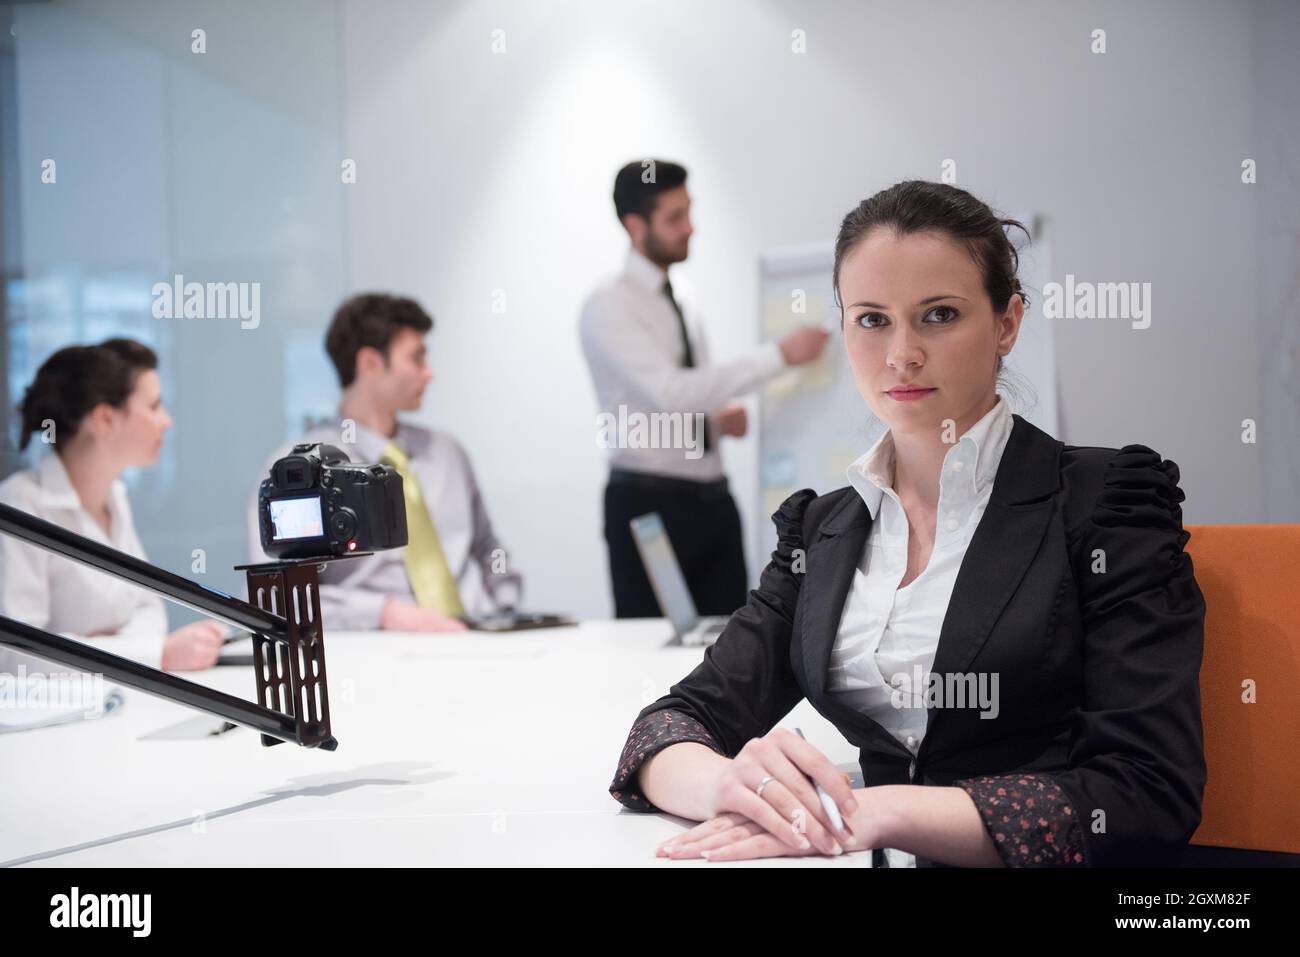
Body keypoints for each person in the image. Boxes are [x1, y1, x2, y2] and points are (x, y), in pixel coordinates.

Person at [607, 180, 1207, 868]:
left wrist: (880, 812)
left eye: (939, 314)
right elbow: (668, 725)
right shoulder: (824, 529)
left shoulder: (1104, 501)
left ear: (1007, 323)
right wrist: (731, 785)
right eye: (872, 320)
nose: (901, 354)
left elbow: (1147, 789)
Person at [579, 159, 830, 618]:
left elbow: (681, 402)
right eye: (674, 218)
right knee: (649, 641)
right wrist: (780, 355)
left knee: (729, 637)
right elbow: (673, 393)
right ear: (635, 226)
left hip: (713, 501)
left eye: (689, 212)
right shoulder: (608, 305)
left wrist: (714, 424)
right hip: (649, 506)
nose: (690, 227)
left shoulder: (683, 295)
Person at [248, 293, 522, 633]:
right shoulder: (294, 471)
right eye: (417, 358)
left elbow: (488, 548)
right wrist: (383, 614)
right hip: (380, 644)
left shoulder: (447, 452)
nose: (429, 373)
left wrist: (505, 607)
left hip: (482, 635)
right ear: (370, 363)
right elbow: (278, 595)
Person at [0, 338, 225, 677]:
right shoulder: (20, 505)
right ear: (105, 419)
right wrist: (153, 654)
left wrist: (110, 648)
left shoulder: (115, 497)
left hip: (118, 697)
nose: (166, 421)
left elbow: (149, 608)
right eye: (154, 406)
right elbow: (17, 657)